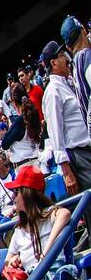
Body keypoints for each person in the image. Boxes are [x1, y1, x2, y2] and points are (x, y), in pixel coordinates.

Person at [2, 165, 75, 280]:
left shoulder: (50, 216)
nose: (13, 197)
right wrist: (13, 261)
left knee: (57, 271)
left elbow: (65, 214)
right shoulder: (18, 230)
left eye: (17, 192)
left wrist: (45, 255)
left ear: (28, 194)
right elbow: (7, 263)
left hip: (49, 270)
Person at [39, 41, 91, 194]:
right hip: (78, 154)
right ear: (53, 63)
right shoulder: (52, 91)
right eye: (62, 56)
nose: (67, 59)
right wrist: (66, 170)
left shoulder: (70, 82)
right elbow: (55, 132)